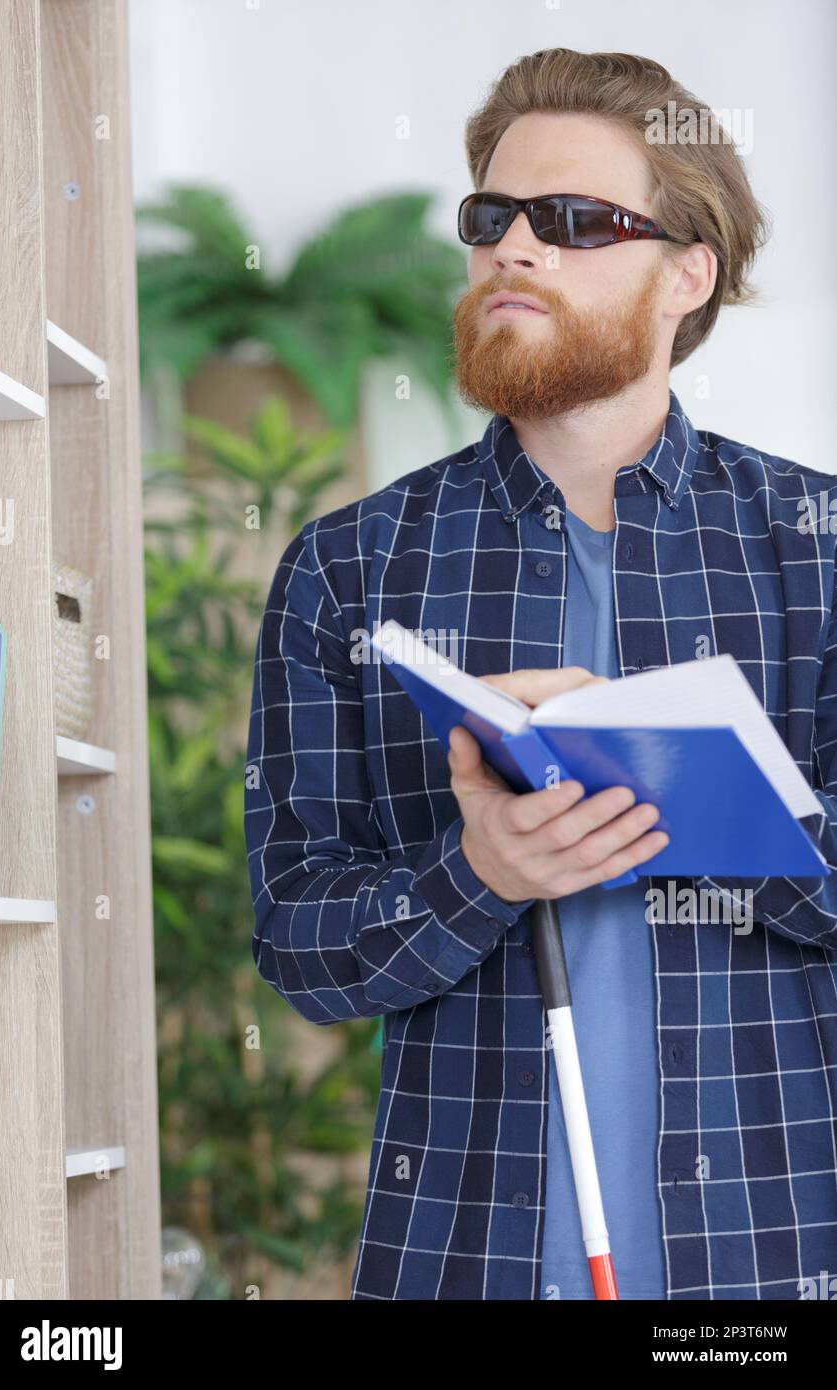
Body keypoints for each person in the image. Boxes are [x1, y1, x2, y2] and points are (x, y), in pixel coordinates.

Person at [244, 48, 837, 1300]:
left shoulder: (816, 550)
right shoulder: (349, 567)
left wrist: (680, 781)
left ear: (686, 274)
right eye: (490, 218)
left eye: (571, 221)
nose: (514, 249)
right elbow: (297, 942)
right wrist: (481, 874)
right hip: (463, 1264)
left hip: (771, 1263)